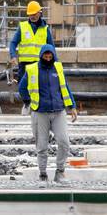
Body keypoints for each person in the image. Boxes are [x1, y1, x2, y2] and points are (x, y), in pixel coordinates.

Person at [25, 44, 77, 183]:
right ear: (41, 55)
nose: (48, 57)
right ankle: (43, 174)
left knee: (64, 142)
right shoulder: (32, 69)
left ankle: (60, 172)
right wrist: (28, 101)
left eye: (50, 55)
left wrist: (72, 106)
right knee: (42, 146)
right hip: (40, 113)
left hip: (58, 111)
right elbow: (23, 87)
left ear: (53, 55)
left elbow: (65, 87)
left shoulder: (58, 68)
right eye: (45, 55)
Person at [9, 1, 56, 108]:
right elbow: (13, 43)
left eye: (34, 14)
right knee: (22, 86)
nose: (32, 16)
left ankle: (38, 106)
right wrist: (13, 56)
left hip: (40, 64)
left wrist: (55, 62)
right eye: (30, 14)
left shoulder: (45, 29)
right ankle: (27, 103)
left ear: (40, 13)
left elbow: (51, 47)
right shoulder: (23, 27)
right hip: (25, 64)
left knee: (40, 87)